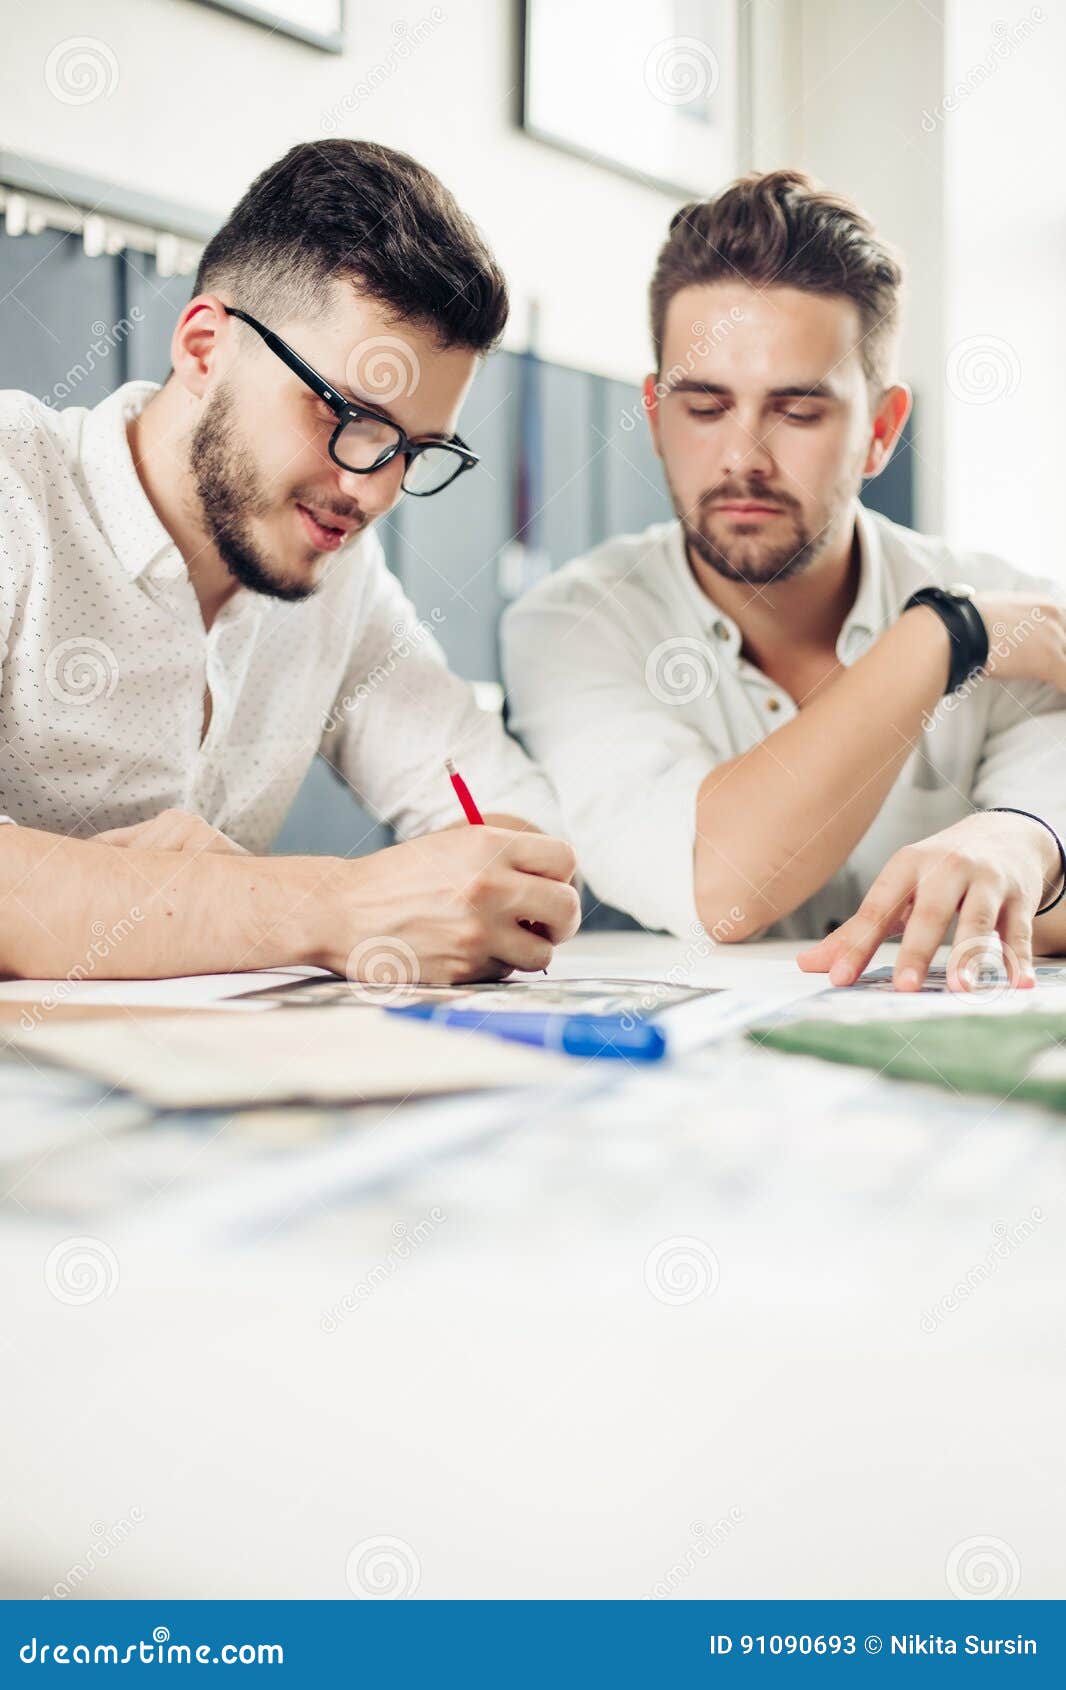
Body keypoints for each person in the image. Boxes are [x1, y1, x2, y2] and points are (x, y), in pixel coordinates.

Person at [0, 139, 579, 984]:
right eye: (347, 415)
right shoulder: (14, 489)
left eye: (414, 449)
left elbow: (524, 825)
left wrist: (479, 885)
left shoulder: (340, 579)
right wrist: (309, 907)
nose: (373, 491)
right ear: (205, 348)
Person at [503, 170, 1066, 991]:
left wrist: (1023, 841)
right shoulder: (573, 626)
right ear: (655, 417)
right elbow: (719, 889)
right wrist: (942, 637)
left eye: (798, 412)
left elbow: (1044, 874)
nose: (744, 459)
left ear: (881, 430)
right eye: (704, 409)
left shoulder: (1016, 604)